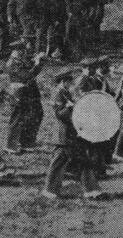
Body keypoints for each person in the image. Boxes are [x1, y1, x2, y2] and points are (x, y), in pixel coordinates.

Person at [42, 65, 101, 199]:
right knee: (59, 163)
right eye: (69, 81)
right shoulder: (58, 93)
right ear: (63, 81)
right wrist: (71, 107)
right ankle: (50, 190)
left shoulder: (65, 92)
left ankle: (92, 190)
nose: (72, 84)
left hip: (70, 134)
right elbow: (59, 114)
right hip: (63, 135)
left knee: (83, 161)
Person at [4, 38, 46, 154]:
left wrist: (39, 62)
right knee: (17, 120)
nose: (24, 53)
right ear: (16, 51)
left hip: (26, 93)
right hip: (18, 93)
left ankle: (26, 143)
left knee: (30, 117)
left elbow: (33, 71)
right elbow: (27, 76)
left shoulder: (20, 61)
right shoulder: (13, 63)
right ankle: (11, 146)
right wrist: (37, 64)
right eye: (22, 50)